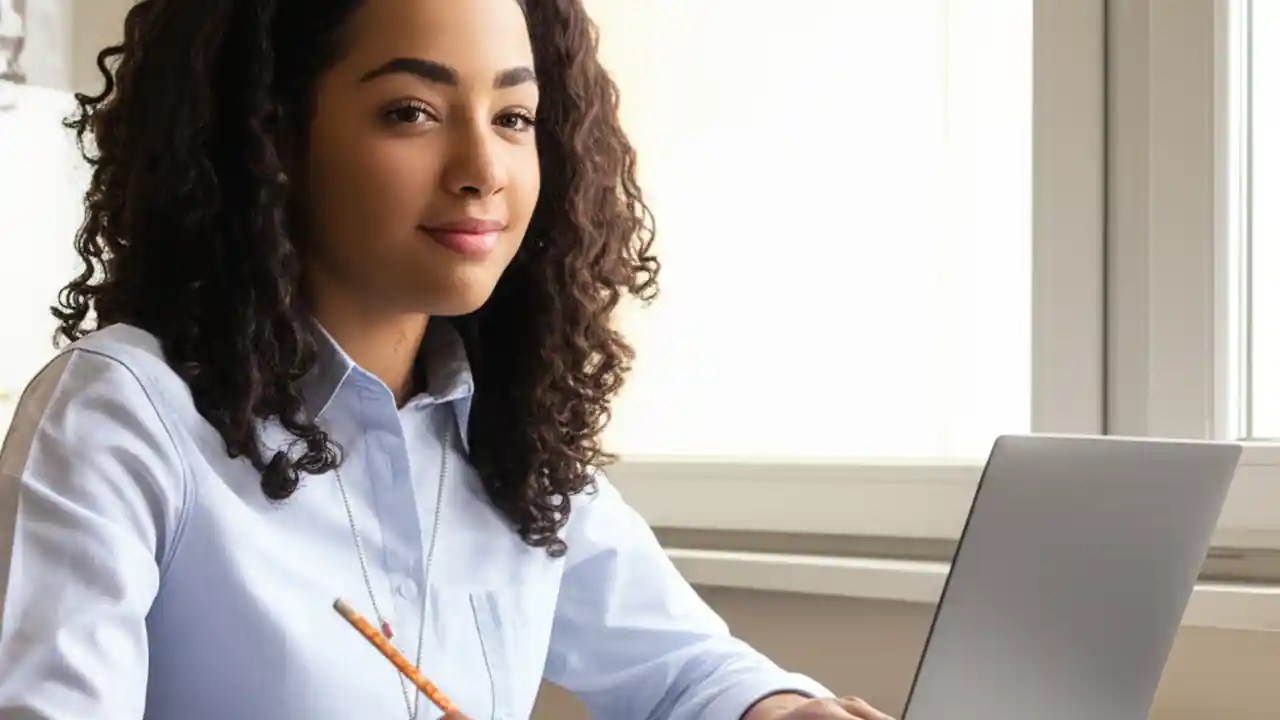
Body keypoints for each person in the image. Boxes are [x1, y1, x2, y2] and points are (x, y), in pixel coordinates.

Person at [0, 1, 895, 718]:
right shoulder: (123, 414)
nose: (482, 168)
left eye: (513, 117)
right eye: (411, 112)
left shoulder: (511, 436)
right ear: (270, 139)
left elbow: (686, 671)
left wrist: (782, 709)